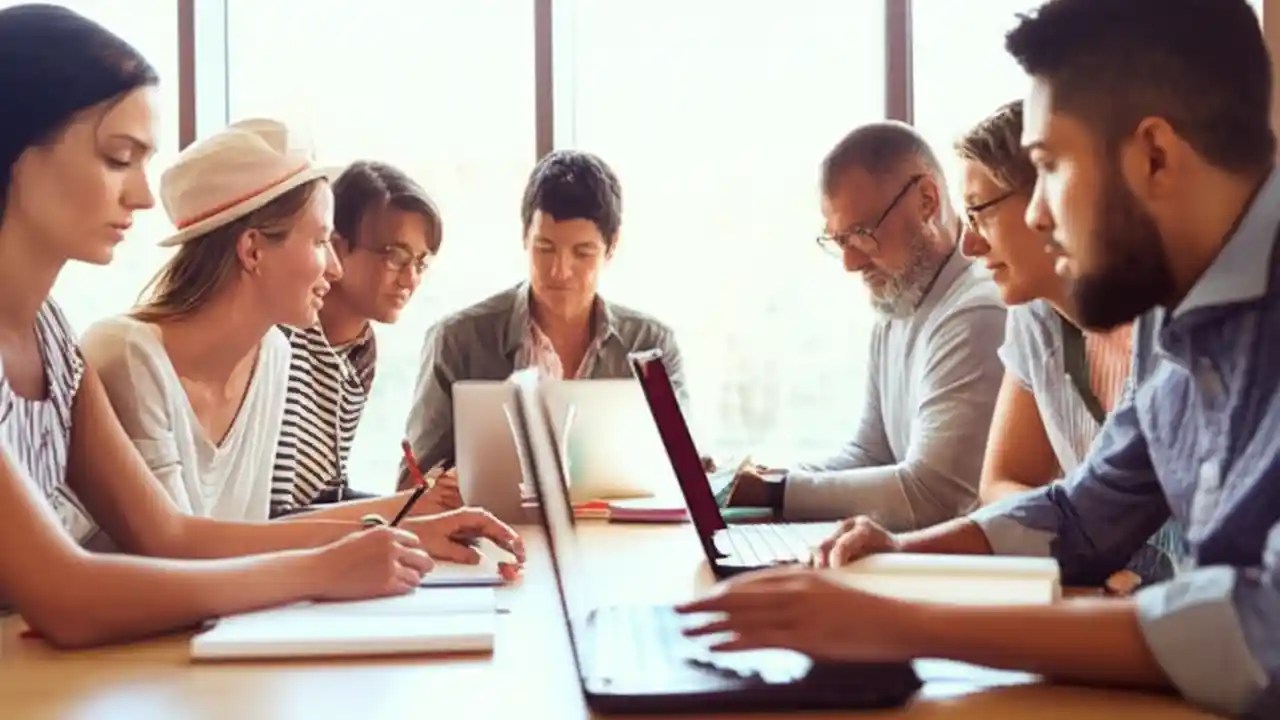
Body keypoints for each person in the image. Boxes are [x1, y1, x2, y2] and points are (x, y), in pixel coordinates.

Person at [678, 1, 1279, 716]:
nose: (1035, 215)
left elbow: (1258, 632)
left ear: (1154, 154)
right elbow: (1082, 517)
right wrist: (902, 558)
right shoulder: (1168, 314)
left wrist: (906, 623)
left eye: (1050, 167)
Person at [0, 3, 438, 648]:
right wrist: (319, 569)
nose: (144, 196)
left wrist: (403, 529)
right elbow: (69, 596)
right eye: (119, 158)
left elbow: (172, 533)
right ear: (15, 149)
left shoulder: (55, 344)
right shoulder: (116, 349)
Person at [78, 117, 519, 564]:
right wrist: (378, 536)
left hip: (213, 623)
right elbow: (177, 552)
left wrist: (411, 519)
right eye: (321, 241)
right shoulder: (130, 356)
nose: (334, 267)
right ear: (252, 250)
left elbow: (255, 535)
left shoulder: (272, 354)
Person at [723, 123, 1006, 530]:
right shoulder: (900, 300)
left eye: (862, 234)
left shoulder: (977, 312)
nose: (851, 263)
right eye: (839, 241)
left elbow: (933, 495)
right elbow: (870, 454)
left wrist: (774, 492)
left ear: (926, 200)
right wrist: (764, 478)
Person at [957, 100, 1182, 585]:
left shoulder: (1178, 318)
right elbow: (1004, 487)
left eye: (978, 213)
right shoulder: (1034, 318)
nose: (968, 245)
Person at [401, 149, 686, 484]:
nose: (559, 271)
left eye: (582, 253)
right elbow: (412, 489)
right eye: (545, 248)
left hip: (618, 533)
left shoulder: (651, 345)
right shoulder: (456, 341)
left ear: (611, 247)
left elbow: (682, 473)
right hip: (487, 533)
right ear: (524, 236)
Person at [270, 160, 459, 517]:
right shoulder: (285, 337)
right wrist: (405, 509)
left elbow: (326, 493)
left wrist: (420, 504)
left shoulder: (360, 348)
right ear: (337, 248)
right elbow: (279, 512)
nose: (410, 279)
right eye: (396, 257)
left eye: (420, 262)